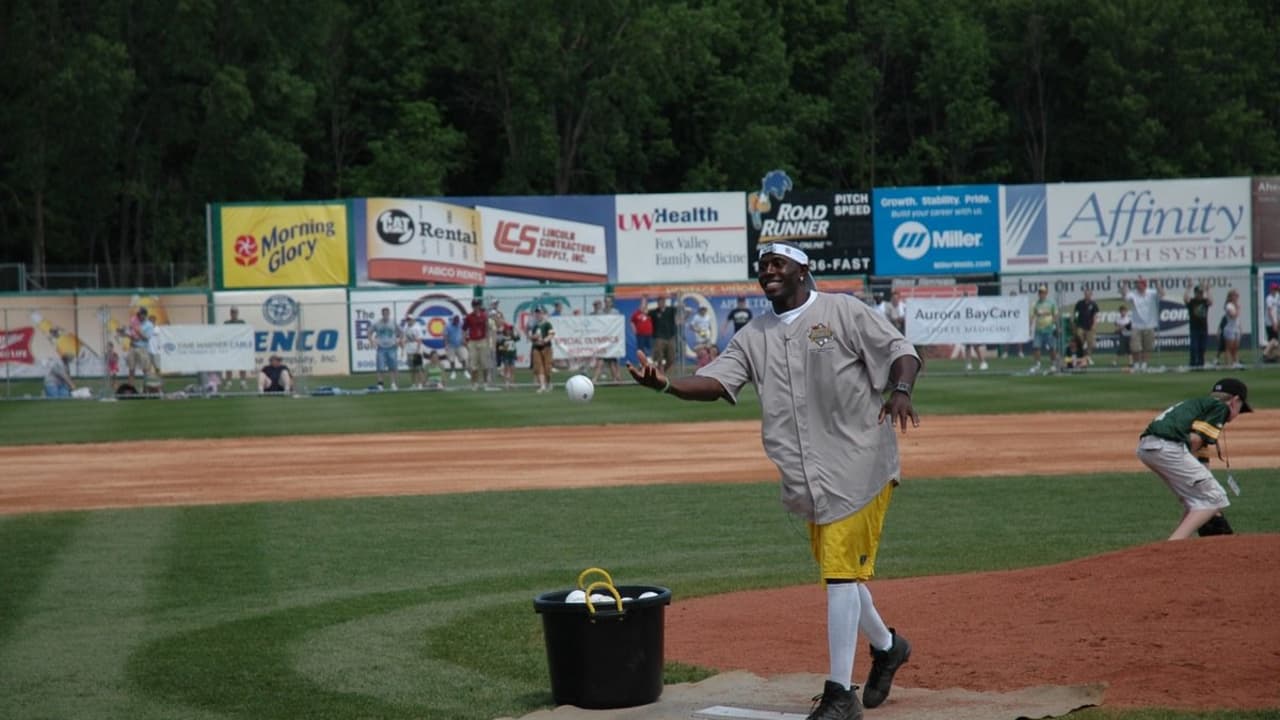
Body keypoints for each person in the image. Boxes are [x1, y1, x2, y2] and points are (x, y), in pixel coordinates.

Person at [627, 240, 920, 718]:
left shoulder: (842, 312)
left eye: (777, 263)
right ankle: (888, 647)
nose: (768, 271)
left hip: (861, 462)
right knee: (838, 573)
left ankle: (839, 695)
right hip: (807, 478)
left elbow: (899, 351)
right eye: (763, 266)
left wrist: (902, 388)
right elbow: (718, 381)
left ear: (803, 271)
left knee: (841, 573)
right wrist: (666, 384)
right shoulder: (754, 335)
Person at [1136, 378, 1252, 540]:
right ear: (1235, 400)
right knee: (1216, 497)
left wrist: (1202, 483)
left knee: (1196, 500)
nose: (1238, 413)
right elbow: (1196, 441)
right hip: (1167, 447)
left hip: (1149, 447)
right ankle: (1173, 545)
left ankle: (1176, 543)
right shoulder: (1220, 407)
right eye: (1241, 407)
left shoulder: (1202, 405)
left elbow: (1201, 451)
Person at [1121, 278, 1163, 372]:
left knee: (1147, 347)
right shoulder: (1134, 293)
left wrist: (1157, 283)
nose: (1137, 285)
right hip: (1136, 325)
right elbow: (1125, 296)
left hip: (1149, 324)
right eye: (1136, 284)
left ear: (1144, 285)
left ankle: (1144, 364)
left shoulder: (1151, 293)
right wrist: (1124, 284)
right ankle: (1136, 364)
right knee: (1135, 347)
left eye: (1139, 284)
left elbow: (1162, 294)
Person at [370, 307, 402, 390]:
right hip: (381, 348)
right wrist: (372, 342)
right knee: (380, 367)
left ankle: (393, 383)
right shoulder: (377, 323)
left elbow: (401, 332)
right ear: (382, 314)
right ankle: (380, 384)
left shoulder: (393, 322)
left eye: (387, 313)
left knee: (392, 367)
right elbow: (369, 332)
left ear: (389, 314)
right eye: (384, 313)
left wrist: (399, 341)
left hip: (392, 347)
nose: (386, 315)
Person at [1182, 282, 1212, 370]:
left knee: (1202, 347)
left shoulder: (1205, 301)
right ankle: (1193, 364)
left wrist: (1208, 290)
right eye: (1198, 292)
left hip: (1203, 328)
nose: (1200, 294)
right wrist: (1188, 288)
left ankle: (1201, 364)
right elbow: (1185, 299)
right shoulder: (1192, 302)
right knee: (1194, 347)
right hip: (1194, 328)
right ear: (1195, 293)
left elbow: (1211, 301)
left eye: (1201, 293)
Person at [462, 298, 491, 389]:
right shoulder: (469, 317)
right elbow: (464, 328)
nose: (476, 307)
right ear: (473, 306)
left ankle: (485, 382)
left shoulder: (484, 316)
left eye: (477, 305)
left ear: (479, 306)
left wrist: (487, 339)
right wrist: (464, 339)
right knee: (473, 364)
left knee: (484, 363)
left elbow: (487, 328)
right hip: (473, 341)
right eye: (474, 305)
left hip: (482, 340)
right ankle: (474, 383)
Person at [1030, 285, 1058, 374]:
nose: (1041, 294)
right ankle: (1037, 364)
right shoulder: (1035, 304)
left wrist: (1054, 325)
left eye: (1043, 292)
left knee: (1051, 347)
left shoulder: (1051, 303)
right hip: (1039, 329)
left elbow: (1055, 314)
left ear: (1046, 293)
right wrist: (1030, 327)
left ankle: (1053, 364)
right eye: (1040, 292)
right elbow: (1032, 316)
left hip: (1049, 328)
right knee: (1036, 347)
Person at [527, 306, 555, 393]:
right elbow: (530, 337)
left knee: (547, 368)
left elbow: (551, 334)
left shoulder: (547, 324)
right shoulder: (534, 326)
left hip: (546, 347)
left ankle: (548, 383)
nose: (538, 315)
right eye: (537, 313)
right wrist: (533, 337)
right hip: (537, 348)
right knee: (539, 367)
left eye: (540, 313)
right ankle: (542, 385)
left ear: (543, 314)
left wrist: (544, 340)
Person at [648, 294, 679, 372]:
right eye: (659, 301)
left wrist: (677, 297)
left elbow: (680, 309)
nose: (661, 303)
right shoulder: (654, 312)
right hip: (659, 337)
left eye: (663, 301)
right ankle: (660, 373)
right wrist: (644, 299)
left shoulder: (671, 309)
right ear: (657, 303)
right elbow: (644, 311)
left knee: (671, 358)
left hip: (670, 337)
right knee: (659, 358)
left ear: (665, 302)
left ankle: (662, 371)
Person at [222, 307, 250, 390]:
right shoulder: (226, 323)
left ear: (237, 313)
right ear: (230, 313)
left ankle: (243, 382)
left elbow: (245, 333)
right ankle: (229, 383)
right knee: (229, 365)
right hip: (230, 347)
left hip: (240, 347)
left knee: (242, 365)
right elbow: (224, 334)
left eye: (235, 312)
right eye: (232, 312)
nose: (234, 314)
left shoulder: (242, 322)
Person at [123, 306, 153, 383]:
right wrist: (126, 334)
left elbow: (147, 338)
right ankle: (130, 391)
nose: (138, 316)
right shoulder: (134, 321)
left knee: (145, 370)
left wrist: (138, 332)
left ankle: (147, 390)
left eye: (140, 314)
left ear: (145, 315)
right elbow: (130, 333)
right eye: (138, 314)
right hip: (132, 347)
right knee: (131, 369)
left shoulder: (149, 325)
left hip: (142, 349)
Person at [1072, 289, 1100, 367]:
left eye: (1088, 294)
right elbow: (1076, 313)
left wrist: (1094, 324)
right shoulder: (1079, 303)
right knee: (1079, 335)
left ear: (1091, 295)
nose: (1087, 295)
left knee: (1091, 344)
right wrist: (1075, 322)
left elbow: (1095, 315)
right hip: (1081, 325)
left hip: (1089, 327)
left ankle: (1088, 357)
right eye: (1086, 294)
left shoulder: (1093, 304)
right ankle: (1083, 346)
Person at [403, 316, 428, 389]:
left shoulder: (417, 328)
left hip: (416, 351)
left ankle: (420, 383)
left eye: (410, 319)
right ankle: (414, 384)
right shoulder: (406, 328)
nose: (408, 321)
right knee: (412, 369)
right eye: (407, 320)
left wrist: (418, 350)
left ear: (413, 320)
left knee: (418, 368)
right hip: (409, 350)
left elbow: (420, 340)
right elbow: (407, 339)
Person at [1221, 289, 1242, 369]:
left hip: (1236, 328)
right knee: (1229, 347)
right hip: (1230, 329)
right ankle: (1228, 364)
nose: (1236, 297)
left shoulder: (1237, 305)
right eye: (1235, 296)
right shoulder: (1229, 305)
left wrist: (1240, 327)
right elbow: (1233, 316)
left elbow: (1238, 319)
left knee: (1236, 347)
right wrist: (1237, 309)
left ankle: (1235, 362)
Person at [630, 296, 654, 362]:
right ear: (640, 304)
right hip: (640, 334)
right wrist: (634, 329)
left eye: (645, 303)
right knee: (641, 349)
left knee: (649, 348)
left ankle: (649, 362)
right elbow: (632, 321)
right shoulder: (636, 313)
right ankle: (642, 362)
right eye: (642, 303)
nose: (643, 305)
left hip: (649, 334)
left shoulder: (650, 312)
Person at [444, 315, 468, 381]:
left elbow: (464, 332)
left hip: (460, 345)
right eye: (456, 321)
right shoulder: (447, 326)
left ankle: (465, 371)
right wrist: (446, 345)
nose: (457, 322)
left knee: (464, 358)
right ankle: (453, 372)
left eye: (458, 321)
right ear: (453, 320)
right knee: (452, 360)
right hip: (451, 345)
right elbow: (445, 336)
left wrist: (464, 339)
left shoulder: (461, 324)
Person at [495, 322, 517, 388]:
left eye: (510, 330)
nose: (509, 331)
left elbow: (519, 336)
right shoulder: (503, 339)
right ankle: (506, 383)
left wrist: (515, 329)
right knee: (506, 369)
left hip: (512, 355)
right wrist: (505, 347)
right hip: (506, 356)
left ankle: (512, 382)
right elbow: (499, 347)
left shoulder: (513, 337)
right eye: (508, 330)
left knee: (512, 369)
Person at [1115, 304, 1133, 368]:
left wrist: (1123, 326)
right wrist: (1122, 327)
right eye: (1122, 311)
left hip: (1129, 335)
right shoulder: (1118, 319)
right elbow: (1117, 329)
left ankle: (1130, 363)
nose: (1123, 312)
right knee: (1120, 349)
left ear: (1126, 311)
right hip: (1122, 335)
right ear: (1120, 312)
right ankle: (1115, 362)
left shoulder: (1129, 319)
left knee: (1129, 349)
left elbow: (1130, 327)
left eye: (1124, 311)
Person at [1266, 282, 1280, 346]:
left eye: (1276, 289)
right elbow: (1269, 312)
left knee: (1275, 340)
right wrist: (1274, 323)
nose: (1275, 291)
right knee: (1273, 340)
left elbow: (1277, 310)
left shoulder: (1277, 296)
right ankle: (1265, 353)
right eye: (1274, 289)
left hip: (1276, 321)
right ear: (1271, 290)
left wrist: (1277, 322)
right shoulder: (1269, 298)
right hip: (1270, 322)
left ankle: (1269, 354)